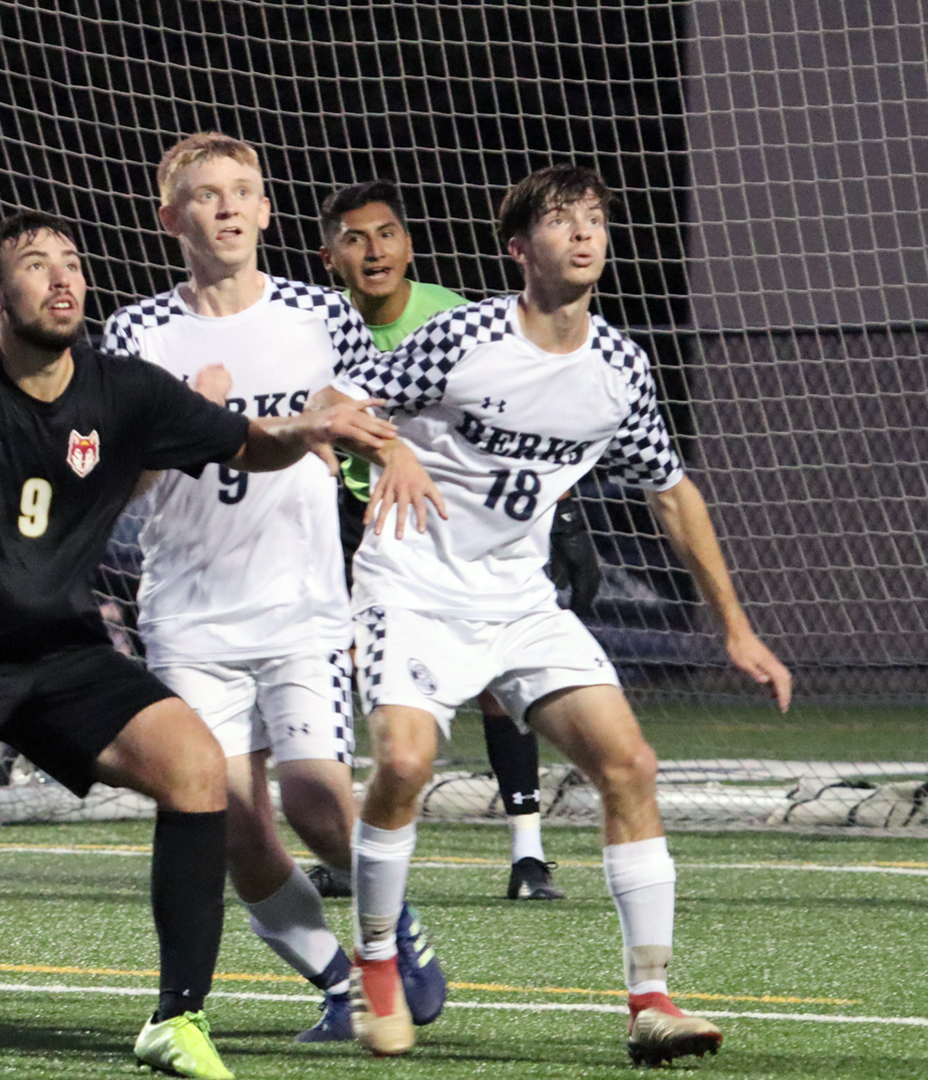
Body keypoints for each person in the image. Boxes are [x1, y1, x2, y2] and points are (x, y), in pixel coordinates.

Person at [0, 209, 396, 1080]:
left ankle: (178, 1021)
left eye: (72, 263)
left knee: (195, 768)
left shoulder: (125, 389)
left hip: (64, 651)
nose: (62, 279)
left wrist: (309, 431)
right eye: (35, 266)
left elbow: (252, 446)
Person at [315, 164, 791, 1063]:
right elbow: (336, 401)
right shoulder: (465, 337)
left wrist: (735, 626)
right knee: (407, 761)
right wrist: (390, 449)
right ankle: (377, 964)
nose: (583, 234)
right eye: (562, 220)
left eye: (596, 220)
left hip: (520, 600)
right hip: (412, 588)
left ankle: (650, 1000)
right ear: (518, 250)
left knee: (630, 763)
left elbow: (672, 491)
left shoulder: (618, 368)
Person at [100, 135, 445, 1046]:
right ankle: (339, 983)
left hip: (301, 603)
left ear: (263, 211)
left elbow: (361, 415)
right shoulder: (137, 334)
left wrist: (384, 447)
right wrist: (192, 421)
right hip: (187, 612)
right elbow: (118, 481)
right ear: (171, 219)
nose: (225, 207)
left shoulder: (317, 313)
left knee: (317, 803)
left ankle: (396, 934)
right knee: (226, 820)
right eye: (204, 195)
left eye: (241, 192)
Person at [317, 177, 598, 901]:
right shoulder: (321, 329)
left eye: (386, 233)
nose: (373, 250)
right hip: (357, 518)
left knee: (502, 687)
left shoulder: (454, 319)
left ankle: (529, 855)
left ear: (409, 245)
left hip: (461, 520)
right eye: (354, 237)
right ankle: (347, 841)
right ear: (329, 257)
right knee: (339, 678)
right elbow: (319, 413)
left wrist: (562, 514)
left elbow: (530, 416)